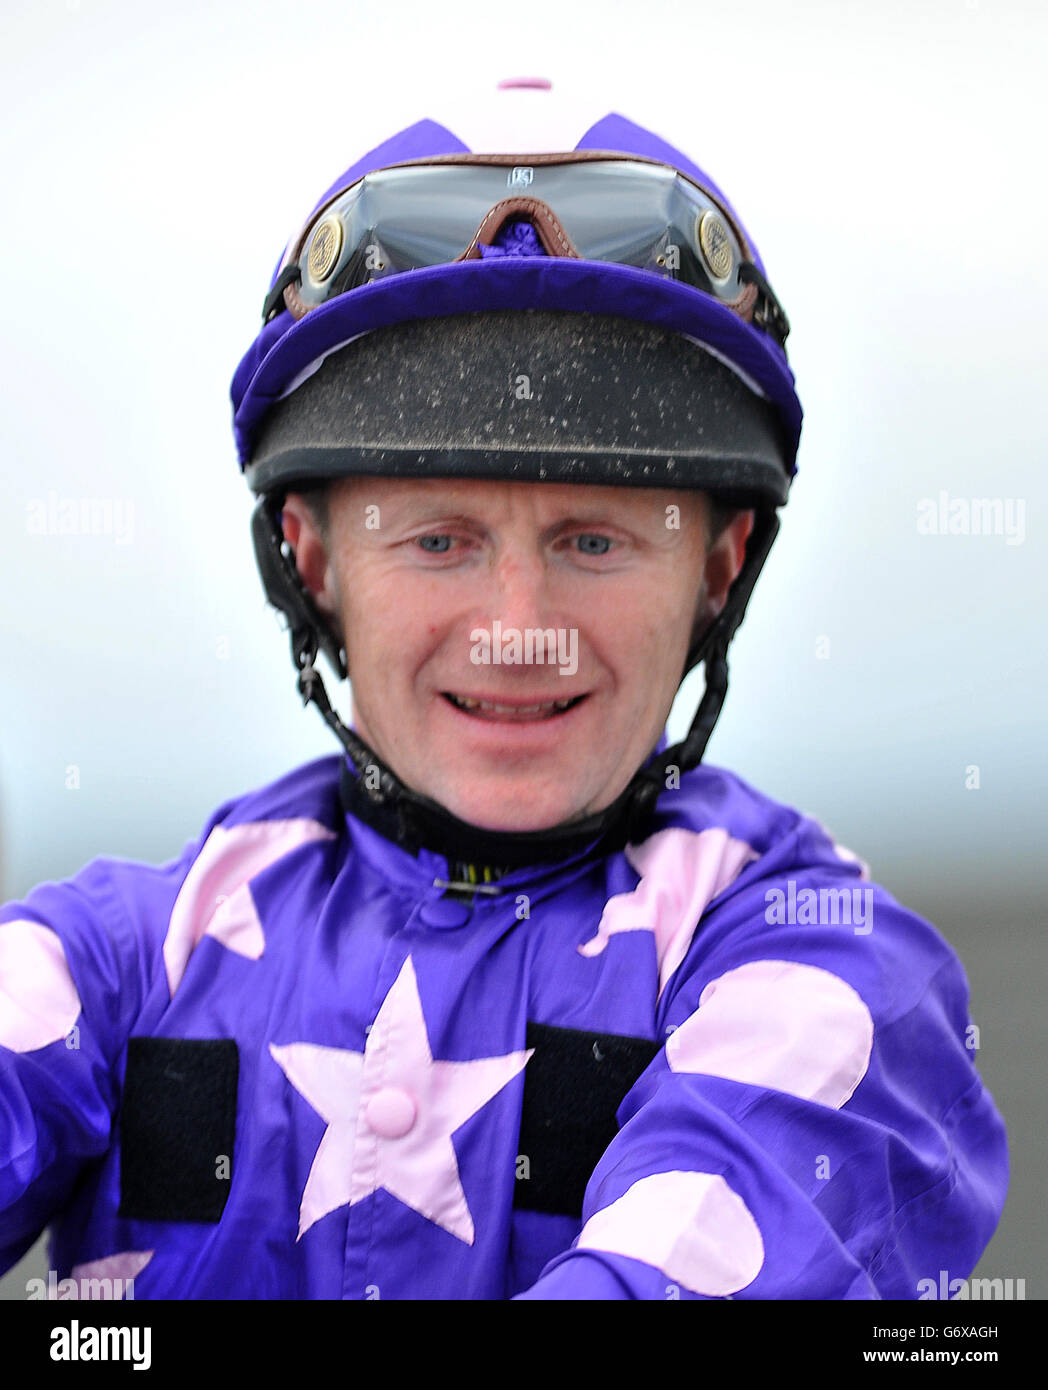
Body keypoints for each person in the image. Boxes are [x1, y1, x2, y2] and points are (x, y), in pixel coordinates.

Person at [0, 83, 1007, 1300]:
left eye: (593, 540)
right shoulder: (105, 961)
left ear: (718, 568)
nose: (518, 631)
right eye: (438, 539)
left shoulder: (830, 976)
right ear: (315, 564)